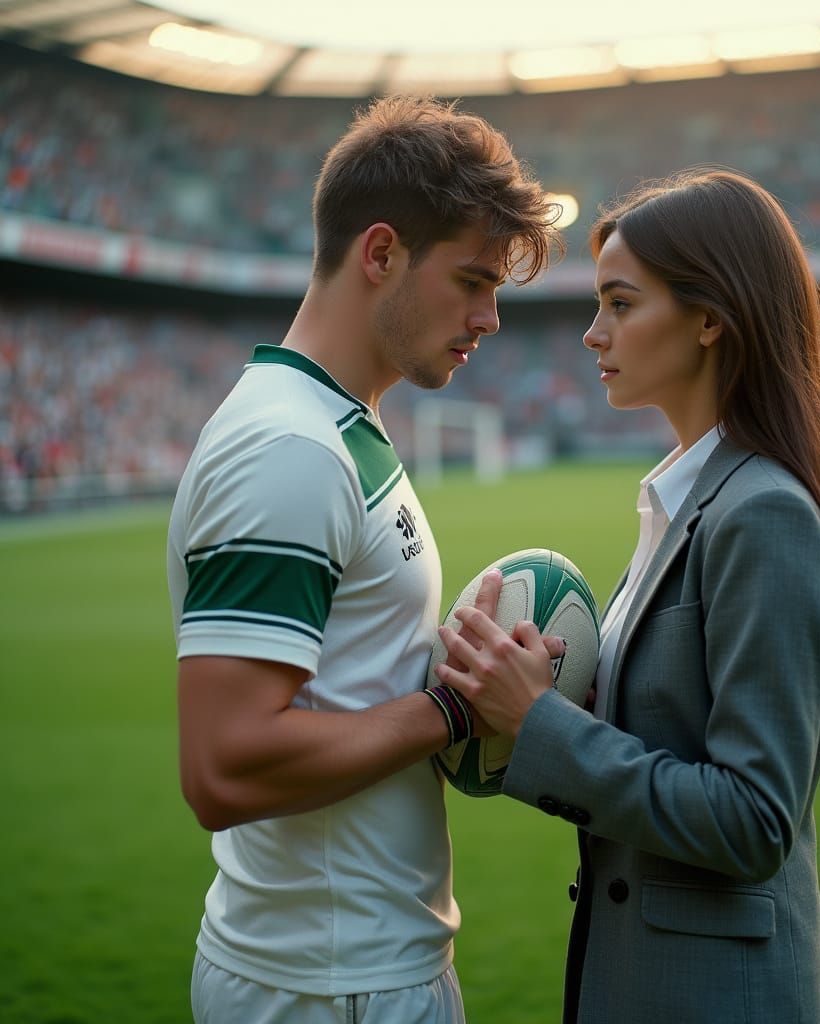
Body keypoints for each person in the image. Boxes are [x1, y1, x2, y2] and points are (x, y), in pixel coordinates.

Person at [436, 168, 820, 1024]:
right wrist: (531, 692)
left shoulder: (763, 514)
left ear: (709, 319)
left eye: (620, 303)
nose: (592, 333)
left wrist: (543, 723)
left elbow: (752, 822)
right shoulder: (685, 502)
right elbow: (663, 738)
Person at [167, 95, 561, 1024]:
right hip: (329, 983)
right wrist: (455, 706)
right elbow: (223, 768)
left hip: (353, 965)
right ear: (380, 253)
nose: (491, 318)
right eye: (472, 280)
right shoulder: (289, 450)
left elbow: (341, 683)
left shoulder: (342, 425)